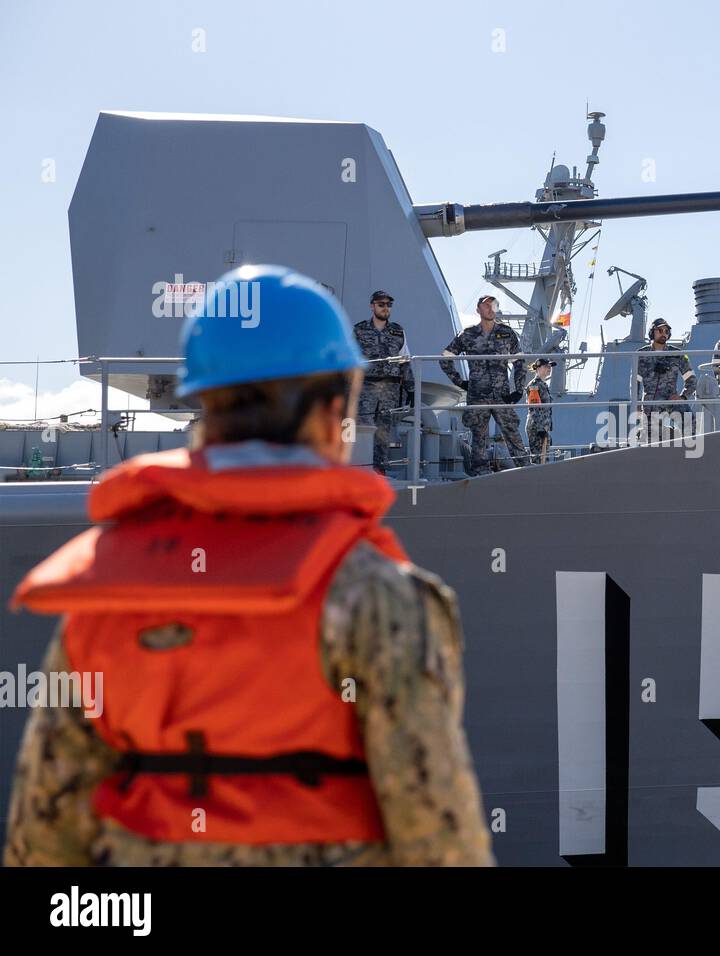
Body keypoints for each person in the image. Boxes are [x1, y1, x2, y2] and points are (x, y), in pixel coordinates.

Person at [4, 265, 493, 867]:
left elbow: (42, 835)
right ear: (329, 409)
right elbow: (438, 839)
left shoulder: (105, 595)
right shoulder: (378, 598)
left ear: (203, 403)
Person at [440, 295, 527, 475]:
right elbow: (445, 358)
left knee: (511, 432)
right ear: (478, 310)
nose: (490, 309)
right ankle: (480, 474)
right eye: (486, 306)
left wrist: (518, 390)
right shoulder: (468, 335)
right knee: (479, 436)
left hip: (501, 395)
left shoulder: (506, 333)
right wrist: (461, 382)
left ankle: (526, 470)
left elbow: (519, 361)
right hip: (477, 395)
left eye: (493, 305)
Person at [353, 290, 413, 474]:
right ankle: (362, 470)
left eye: (389, 305)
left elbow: (405, 361)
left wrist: (411, 390)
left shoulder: (398, 332)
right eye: (381, 304)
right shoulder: (359, 330)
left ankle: (380, 471)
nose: (385, 308)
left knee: (384, 431)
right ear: (372, 306)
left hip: (390, 389)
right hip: (366, 389)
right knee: (364, 429)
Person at [637, 318, 696, 437]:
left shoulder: (677, 354)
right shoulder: (641, 355)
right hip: (651, 402)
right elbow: (635, 383)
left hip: (671, 399)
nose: (664, 333)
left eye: (666, 331)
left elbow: (691, 379)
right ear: (652, 332)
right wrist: (637, 406)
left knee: (690, 423)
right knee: (651, 437)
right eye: (660, 330)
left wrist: (683, 397)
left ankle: (688, 451)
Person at [525, 357, 555, 465]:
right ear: (538, 368)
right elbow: (534, 410)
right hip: (536, 427)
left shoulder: (543, 385)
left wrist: (547, 429)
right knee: (537, 460)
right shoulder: (534, 385)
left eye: (550, 367)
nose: (549, 368)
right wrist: (540, 429)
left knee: (544, 460)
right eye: (546, 366)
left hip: (543, 427)